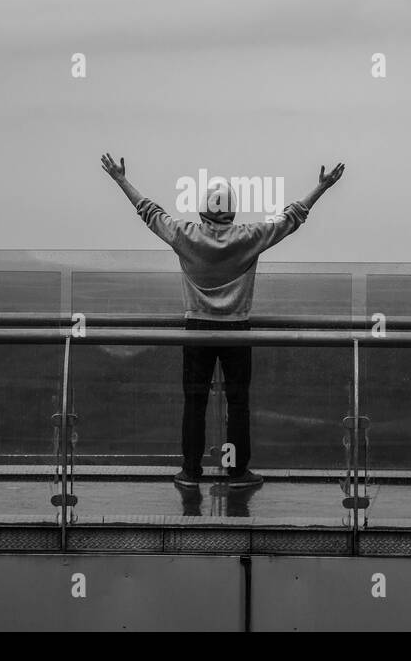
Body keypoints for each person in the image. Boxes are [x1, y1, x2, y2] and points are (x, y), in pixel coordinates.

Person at [100, 154, 345, 488]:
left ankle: (190, 471)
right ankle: (237, 471)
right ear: (232, 211)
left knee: (195, 403)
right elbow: (292, 218)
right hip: (237, 330)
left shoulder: (185, 235)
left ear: (202, 209)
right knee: (238, 403)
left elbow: (149, 211)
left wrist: (120, 179)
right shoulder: (249, 237)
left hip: (197, 330)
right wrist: (322, 187)